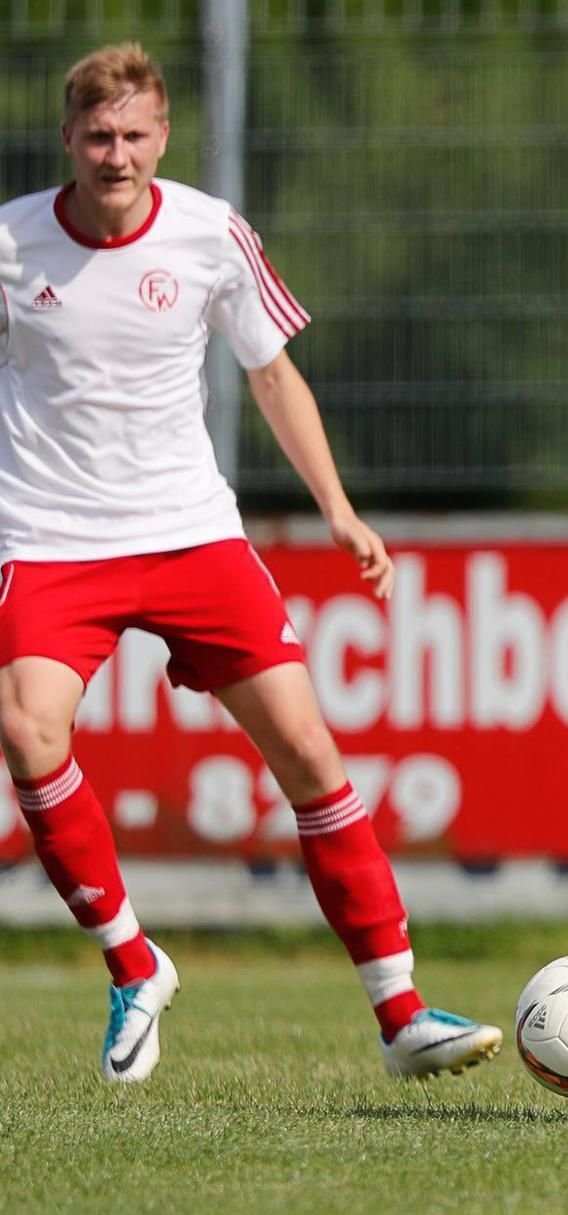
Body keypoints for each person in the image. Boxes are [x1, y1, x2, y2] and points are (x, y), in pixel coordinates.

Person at [0, 43, 501, 1083]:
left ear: (163, 137)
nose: (117, 155)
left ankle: (402, 1014)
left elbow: (273, 376)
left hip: (190, 533)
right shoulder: (10, 245)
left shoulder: (210, 233)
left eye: (135, 135)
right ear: (68, 139)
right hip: (51, 537)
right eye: (99, 136)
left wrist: (338, 509)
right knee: (24, 727)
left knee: (310, 752)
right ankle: (133, 965)